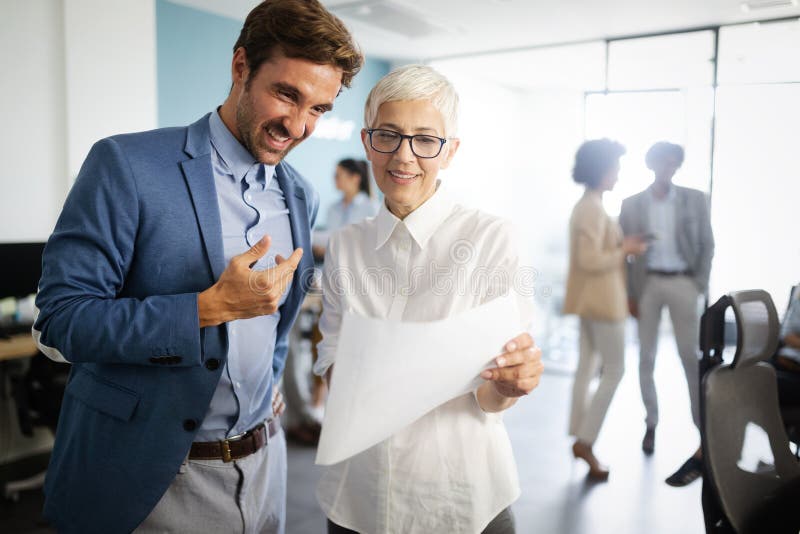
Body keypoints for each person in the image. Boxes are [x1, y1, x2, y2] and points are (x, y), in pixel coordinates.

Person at [31, 1, 363, 532]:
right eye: (286, 94)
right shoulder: (128, 166)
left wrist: (268, 388)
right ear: (240, 68)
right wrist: (205, 310)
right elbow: (62, 320)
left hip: (264, 468)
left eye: (319, 109)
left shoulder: (300, 195)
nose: (298, 126)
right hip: (153, 477)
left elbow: (276, 327)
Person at [312, 64, 544, 534]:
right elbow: (334, 364)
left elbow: (492, 398)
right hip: (360, 498)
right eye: (389, 135)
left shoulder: (491, 240)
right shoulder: (345, 245)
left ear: (450, 151)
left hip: (460, 499)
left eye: (424, 139)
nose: (404, 156)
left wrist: (508, 384)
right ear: (366, 141)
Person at [619, 141, 715, 487]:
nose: (667, 168)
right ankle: (651, 423)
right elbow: (623, 251)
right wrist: (629, 295)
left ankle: (702, 433)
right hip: (647, 287)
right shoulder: (631, 204)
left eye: (673, 162)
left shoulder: (694, 199)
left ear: (678, 165)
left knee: (690, 357)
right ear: (651, 164)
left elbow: (707, 243)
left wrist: (698, 284)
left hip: (683, 283)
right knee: (646, 357)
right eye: (662, 161)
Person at [563, 139, 647, 480]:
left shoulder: (593, 205)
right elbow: (588, 260)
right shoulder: (590, 209)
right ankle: (585, 440)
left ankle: (581, 437)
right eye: (614, 168)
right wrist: (624, 248)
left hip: (594, 301)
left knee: (588, 368)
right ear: (601, 171)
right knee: (615, 370)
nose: (618, 174)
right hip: (602, 302)